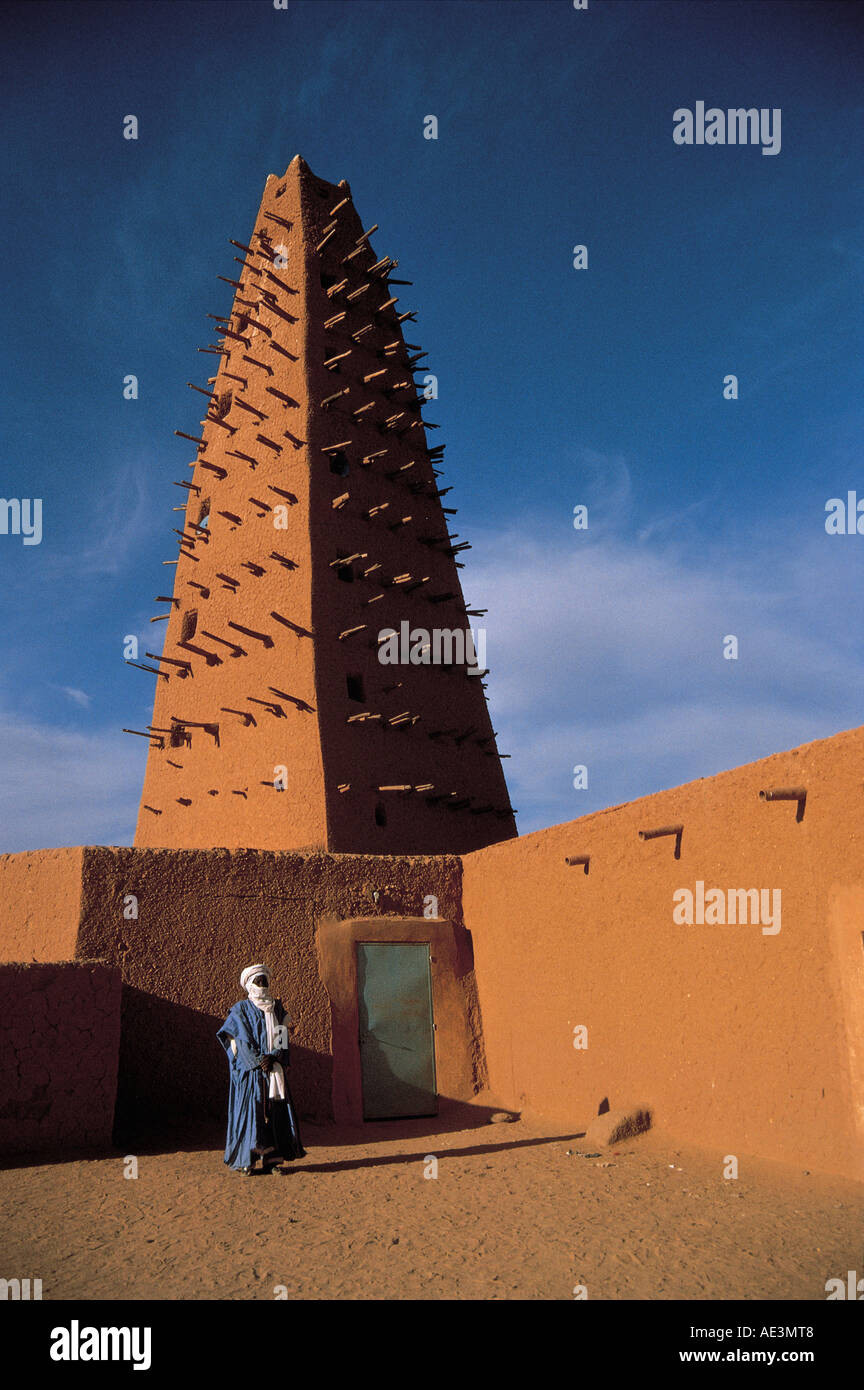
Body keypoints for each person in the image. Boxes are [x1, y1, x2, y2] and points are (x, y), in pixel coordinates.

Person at [217, 963, 306, 1175]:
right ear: (249, 984)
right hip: (251, 1073)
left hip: (273, 1070)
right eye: (259, 981)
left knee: (274, 1114)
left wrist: (274, 1056)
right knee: (251, 1114)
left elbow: (283, 1035)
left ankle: (272, 1161)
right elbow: (241, 1039)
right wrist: (258, 1060)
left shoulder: (277, 1008)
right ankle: (245, 1161)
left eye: (265, 980)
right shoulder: (240, 1010)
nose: (263, 985)